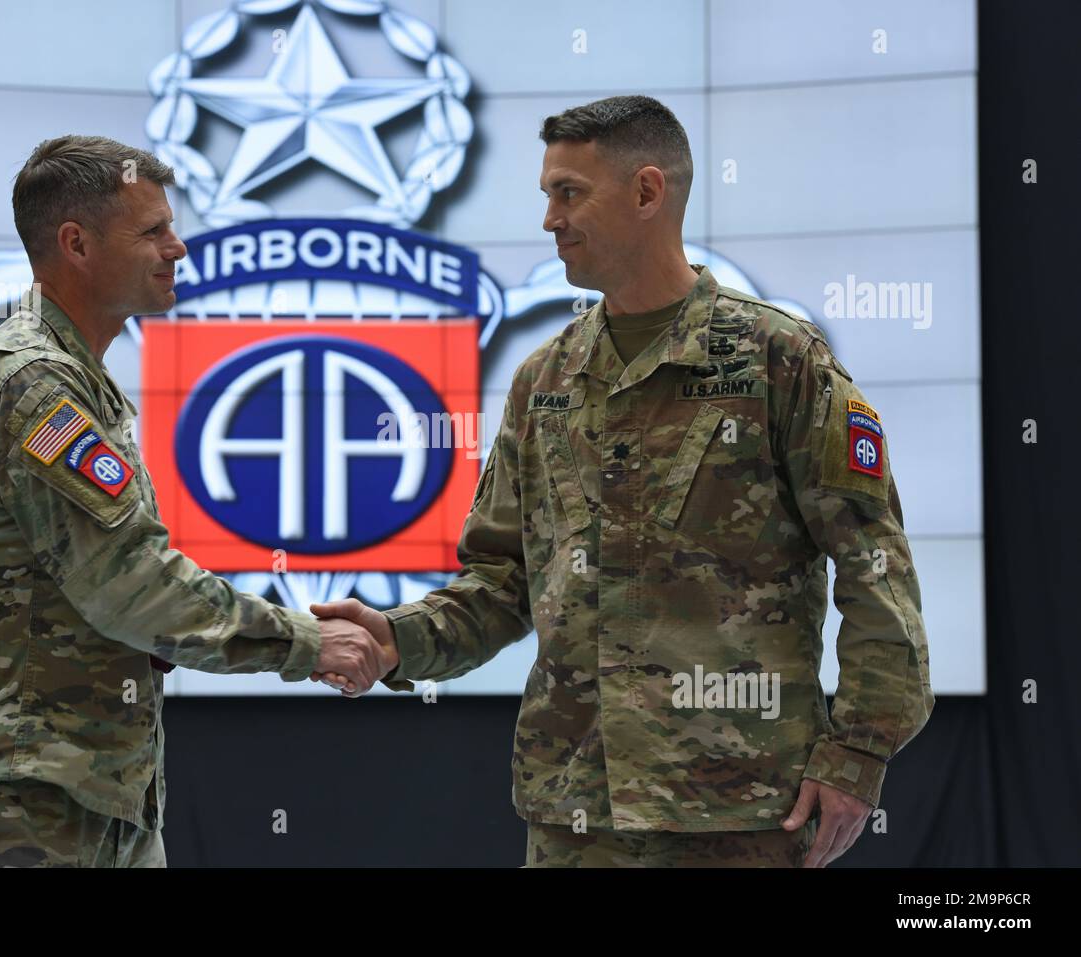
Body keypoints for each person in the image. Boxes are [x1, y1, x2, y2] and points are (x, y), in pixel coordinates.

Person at [311, 95, 934, 868]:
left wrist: (858, 752)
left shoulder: (781, 361)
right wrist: (398, 639)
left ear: (647, 193)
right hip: (575, 813)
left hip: (738, 811)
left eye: (569, 192)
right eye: (546, 194)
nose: (549, 218)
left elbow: (877, 570)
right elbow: (504, 584)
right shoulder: (546, 379)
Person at [0, 135, 396, 867]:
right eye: (153, 230)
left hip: (82, 789)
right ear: (77, 244)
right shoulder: (30, 384)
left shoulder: (75, 383)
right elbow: (130, 584)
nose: (179, 247)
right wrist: (307, 641)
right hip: (13, 797)